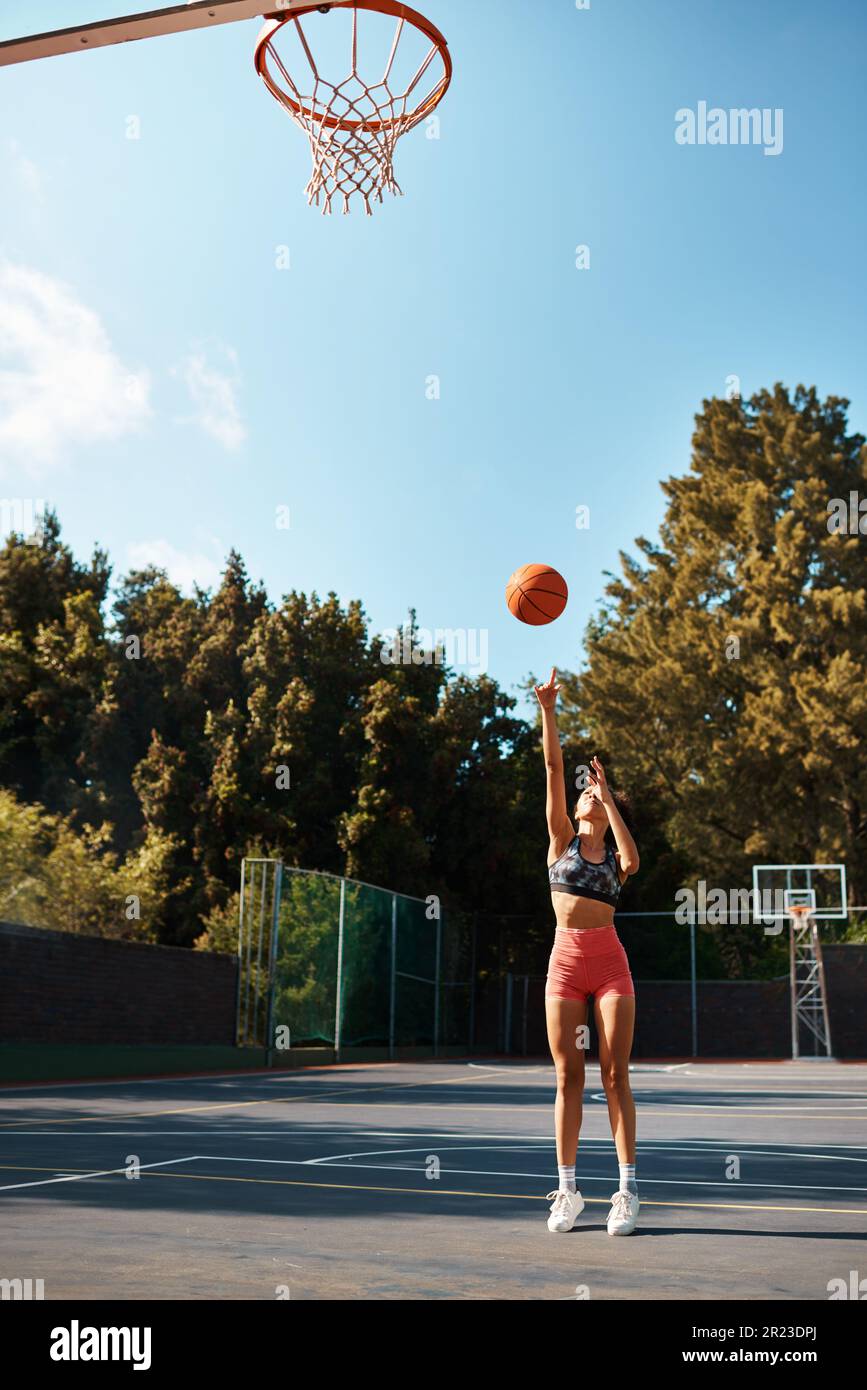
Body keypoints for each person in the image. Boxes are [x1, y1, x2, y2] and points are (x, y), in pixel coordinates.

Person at [533, 667, 641, 1236]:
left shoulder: (613, 852)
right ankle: (569, 1191)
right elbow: (554, 768)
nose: (584, 797)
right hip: (566, 963)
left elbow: (632, 861)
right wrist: (549, 710)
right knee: (567, 1076)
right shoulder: (560, 841)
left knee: (614, 1074)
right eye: (584, 796)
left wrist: (609, 799)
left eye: (593, 796)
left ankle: (625, 1192)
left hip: (610, 964)